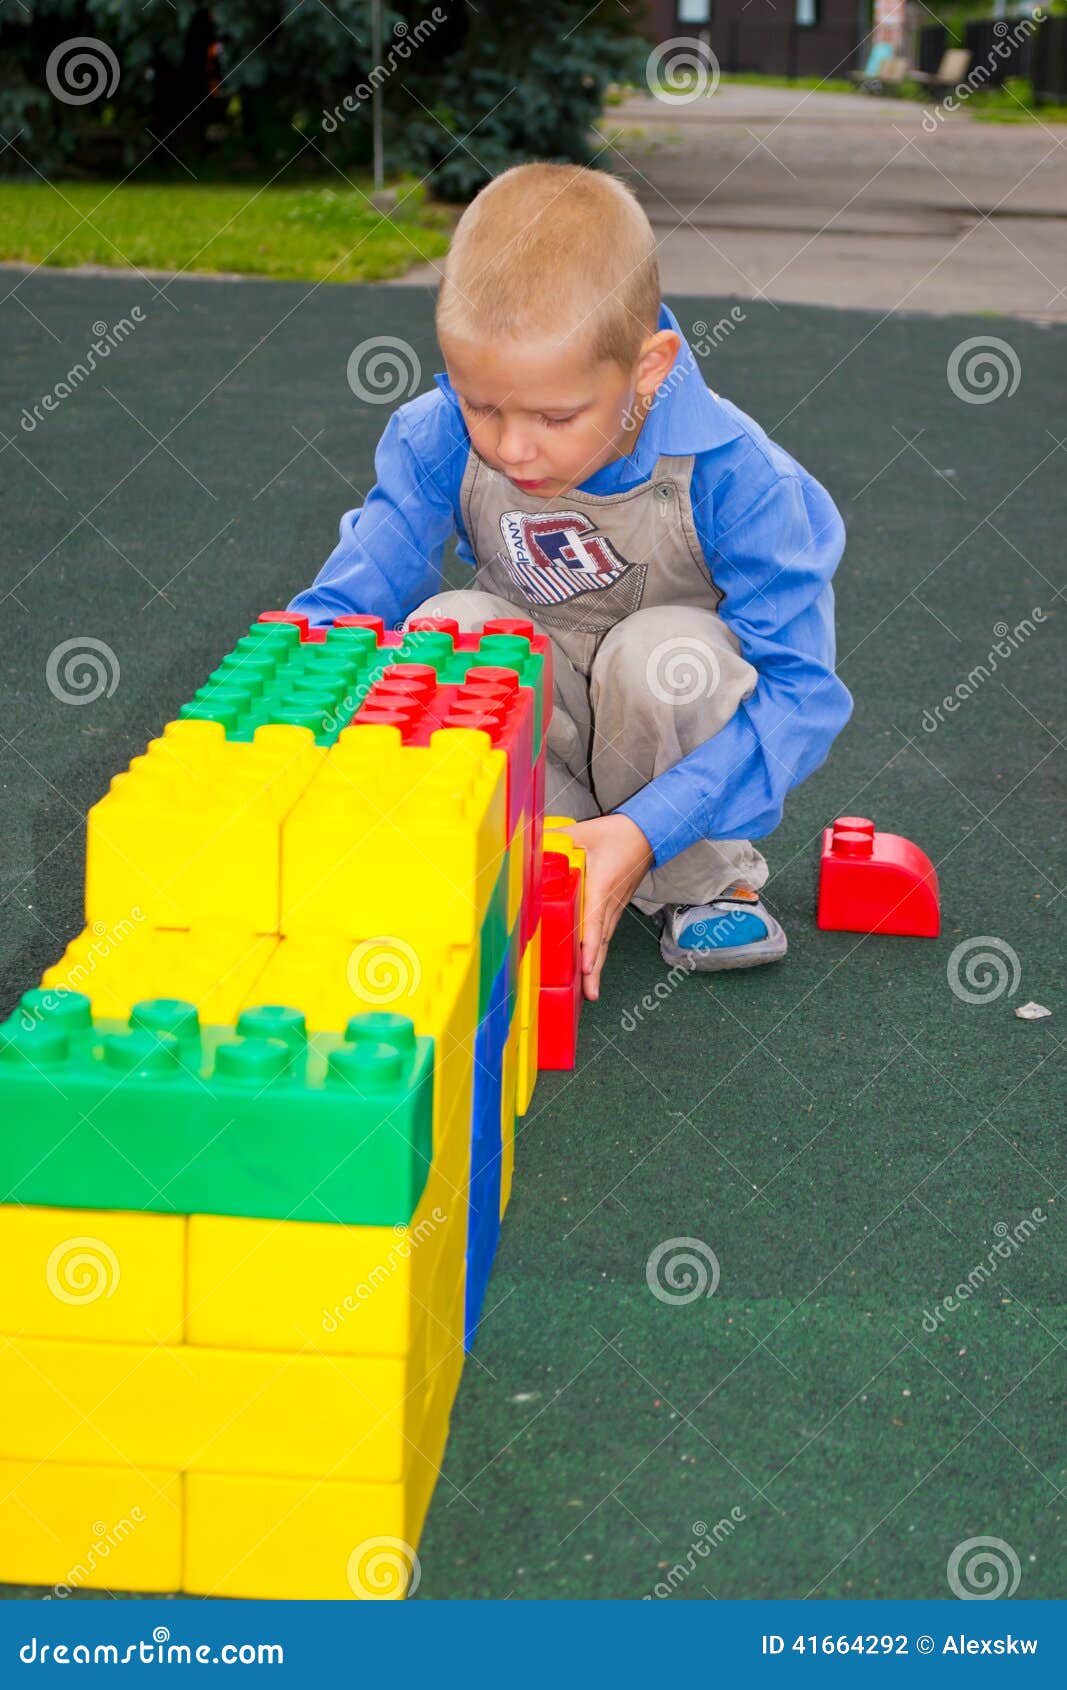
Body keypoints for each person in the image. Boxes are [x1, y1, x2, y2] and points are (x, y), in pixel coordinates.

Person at [288, 163, 852, 1001]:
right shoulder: (438, 434)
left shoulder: (740, 479)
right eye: (484, 406)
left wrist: (644, 827)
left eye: (556, 418)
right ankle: (519, 853)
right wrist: (285, 741)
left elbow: (801, 694)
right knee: (450, 623)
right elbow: (344, 606)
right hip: (540, 724)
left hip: (668, 744)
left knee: (663, 654)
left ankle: (698, 884)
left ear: (648, 368)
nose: (513, 448)